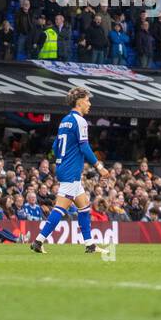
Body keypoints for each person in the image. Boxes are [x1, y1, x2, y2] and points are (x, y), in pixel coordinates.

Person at [32, 86, 112, 254]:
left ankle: (90, 244)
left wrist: (64, 159)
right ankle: (38, 241)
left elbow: (55, 146)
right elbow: (84, 147)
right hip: (70, 170)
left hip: (64, 167)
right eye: (87, 100)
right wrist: (100, 167)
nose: (89, 103)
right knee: (60, 208)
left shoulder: (65, 120)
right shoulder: (80, 121)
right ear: (79, 101)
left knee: (84, 207)